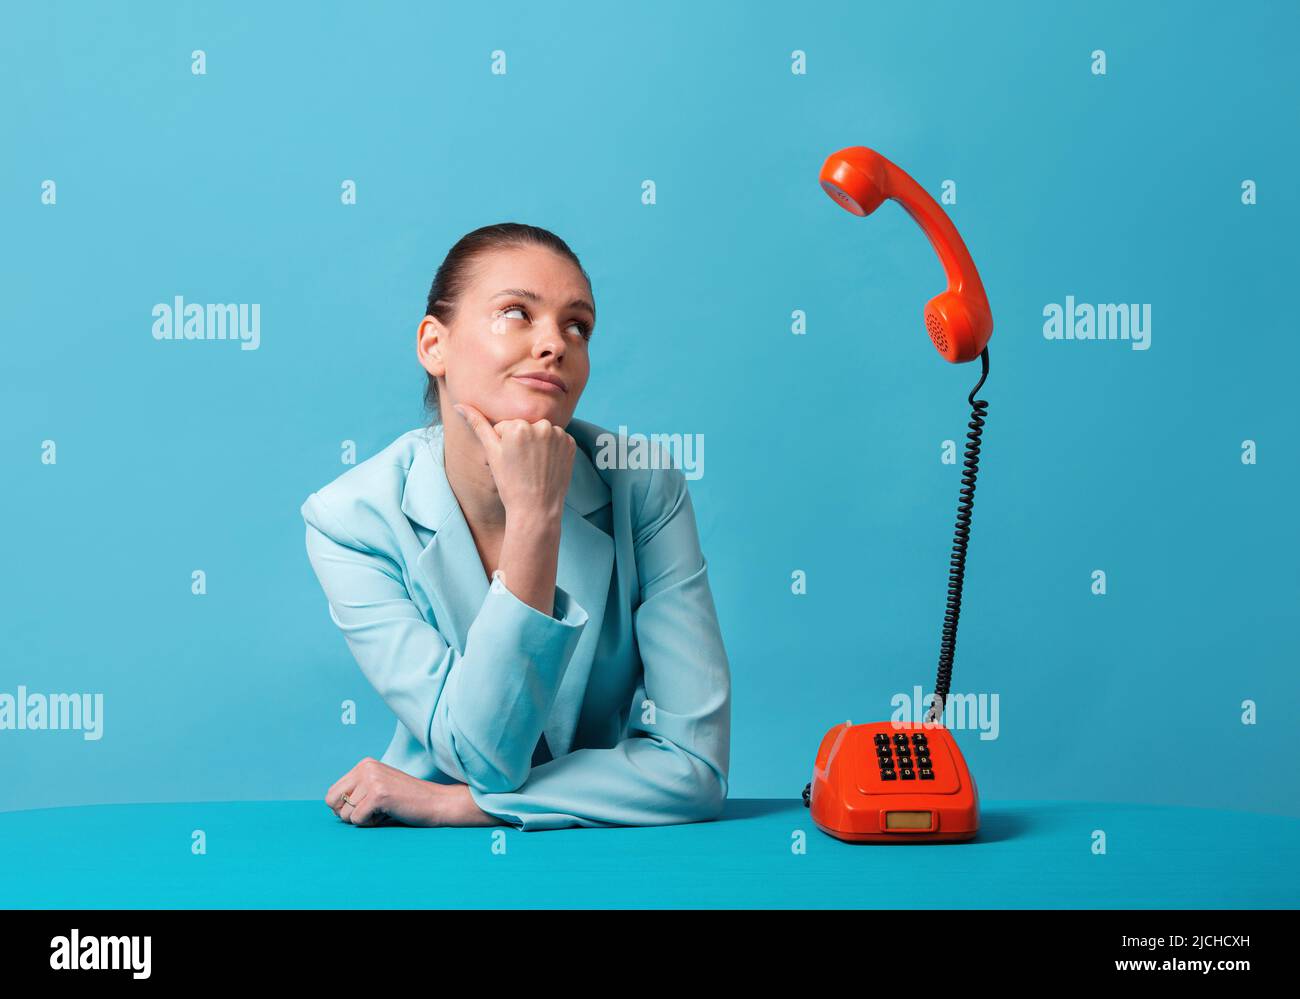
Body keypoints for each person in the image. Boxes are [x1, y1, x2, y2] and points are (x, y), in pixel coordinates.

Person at [301, 223, 732, 831]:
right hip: (426, 863)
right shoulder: (351, 519)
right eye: (516, 313)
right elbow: (485, 756)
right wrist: (535, 516)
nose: (555, 343)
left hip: (604, 854)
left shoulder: (643, 485)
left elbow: (693, 769)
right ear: (434, 345)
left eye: (577, 325)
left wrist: (453, 803)